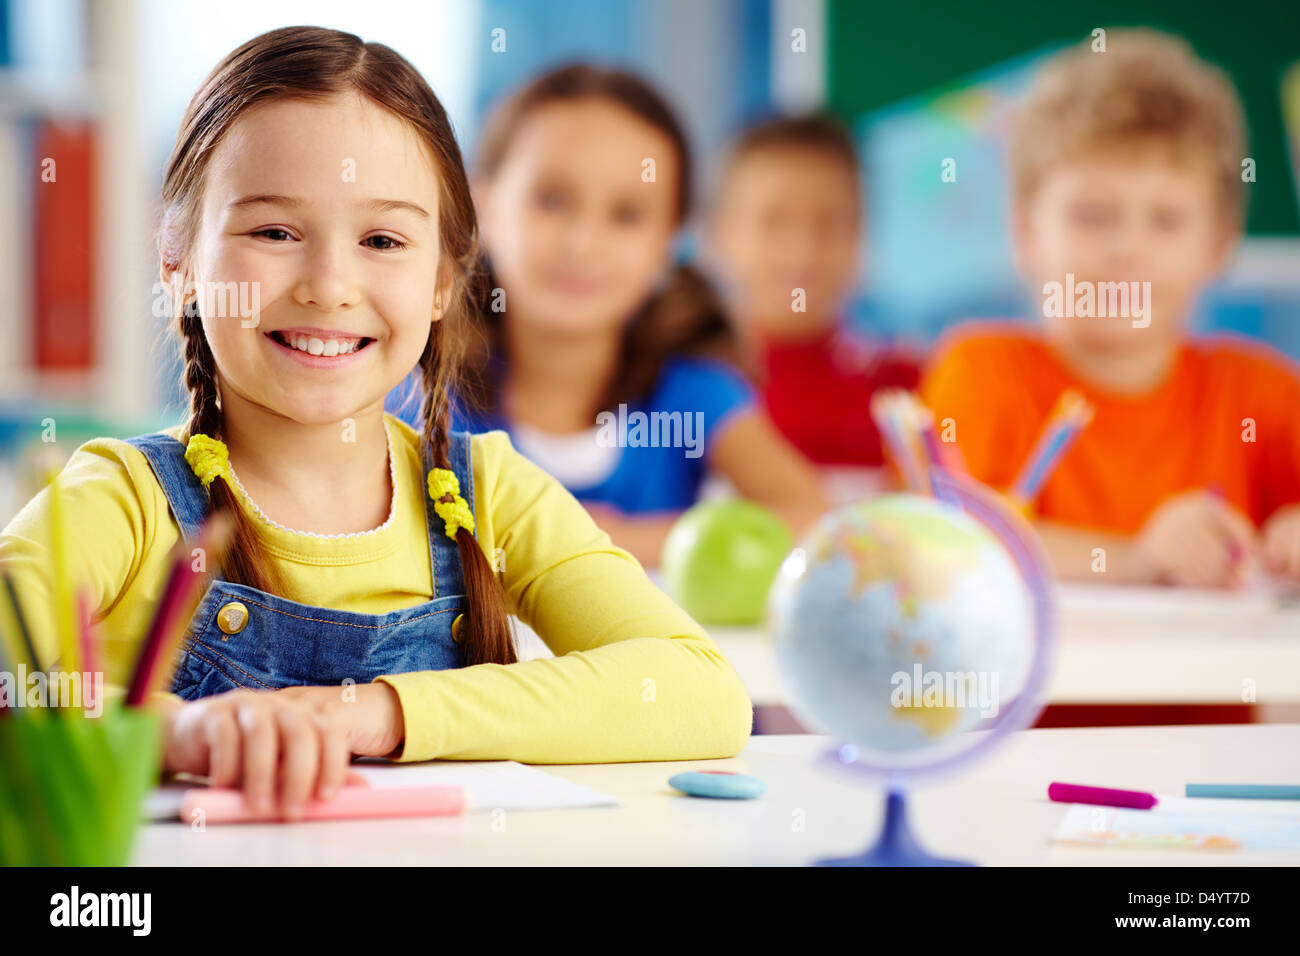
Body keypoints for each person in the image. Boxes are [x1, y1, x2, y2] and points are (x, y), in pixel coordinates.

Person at [0, 27, 753, 817]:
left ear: (442, 280)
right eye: (274, 232)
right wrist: (186, 734)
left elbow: (698, 690)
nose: (330, 285)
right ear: (177, 260)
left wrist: (377, 713)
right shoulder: (123, 499)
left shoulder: (490, 491)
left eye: (382, 240)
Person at [387, 64, 829, 566]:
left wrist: (610, 541)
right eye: (552, 200)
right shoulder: (418, 396)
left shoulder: (696, 396)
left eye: (627, 214)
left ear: (669, 241)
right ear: (483, 209)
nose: (583, 243)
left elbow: (808, 516)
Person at [922, 29, 1300, 586]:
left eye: (1166, 220)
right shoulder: (982, 373)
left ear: (1217, 245)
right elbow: (944, 541)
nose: (1128, 248)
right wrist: (1138, 560)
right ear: (1026, 234)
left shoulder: (1261, 394)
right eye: (1093, 215)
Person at [704, 115, 921, 466]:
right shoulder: (677, 387)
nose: (802, 251)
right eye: (773, 221)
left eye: (830, 221)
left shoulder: (907, 391)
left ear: (862, 233)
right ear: (718, 236)